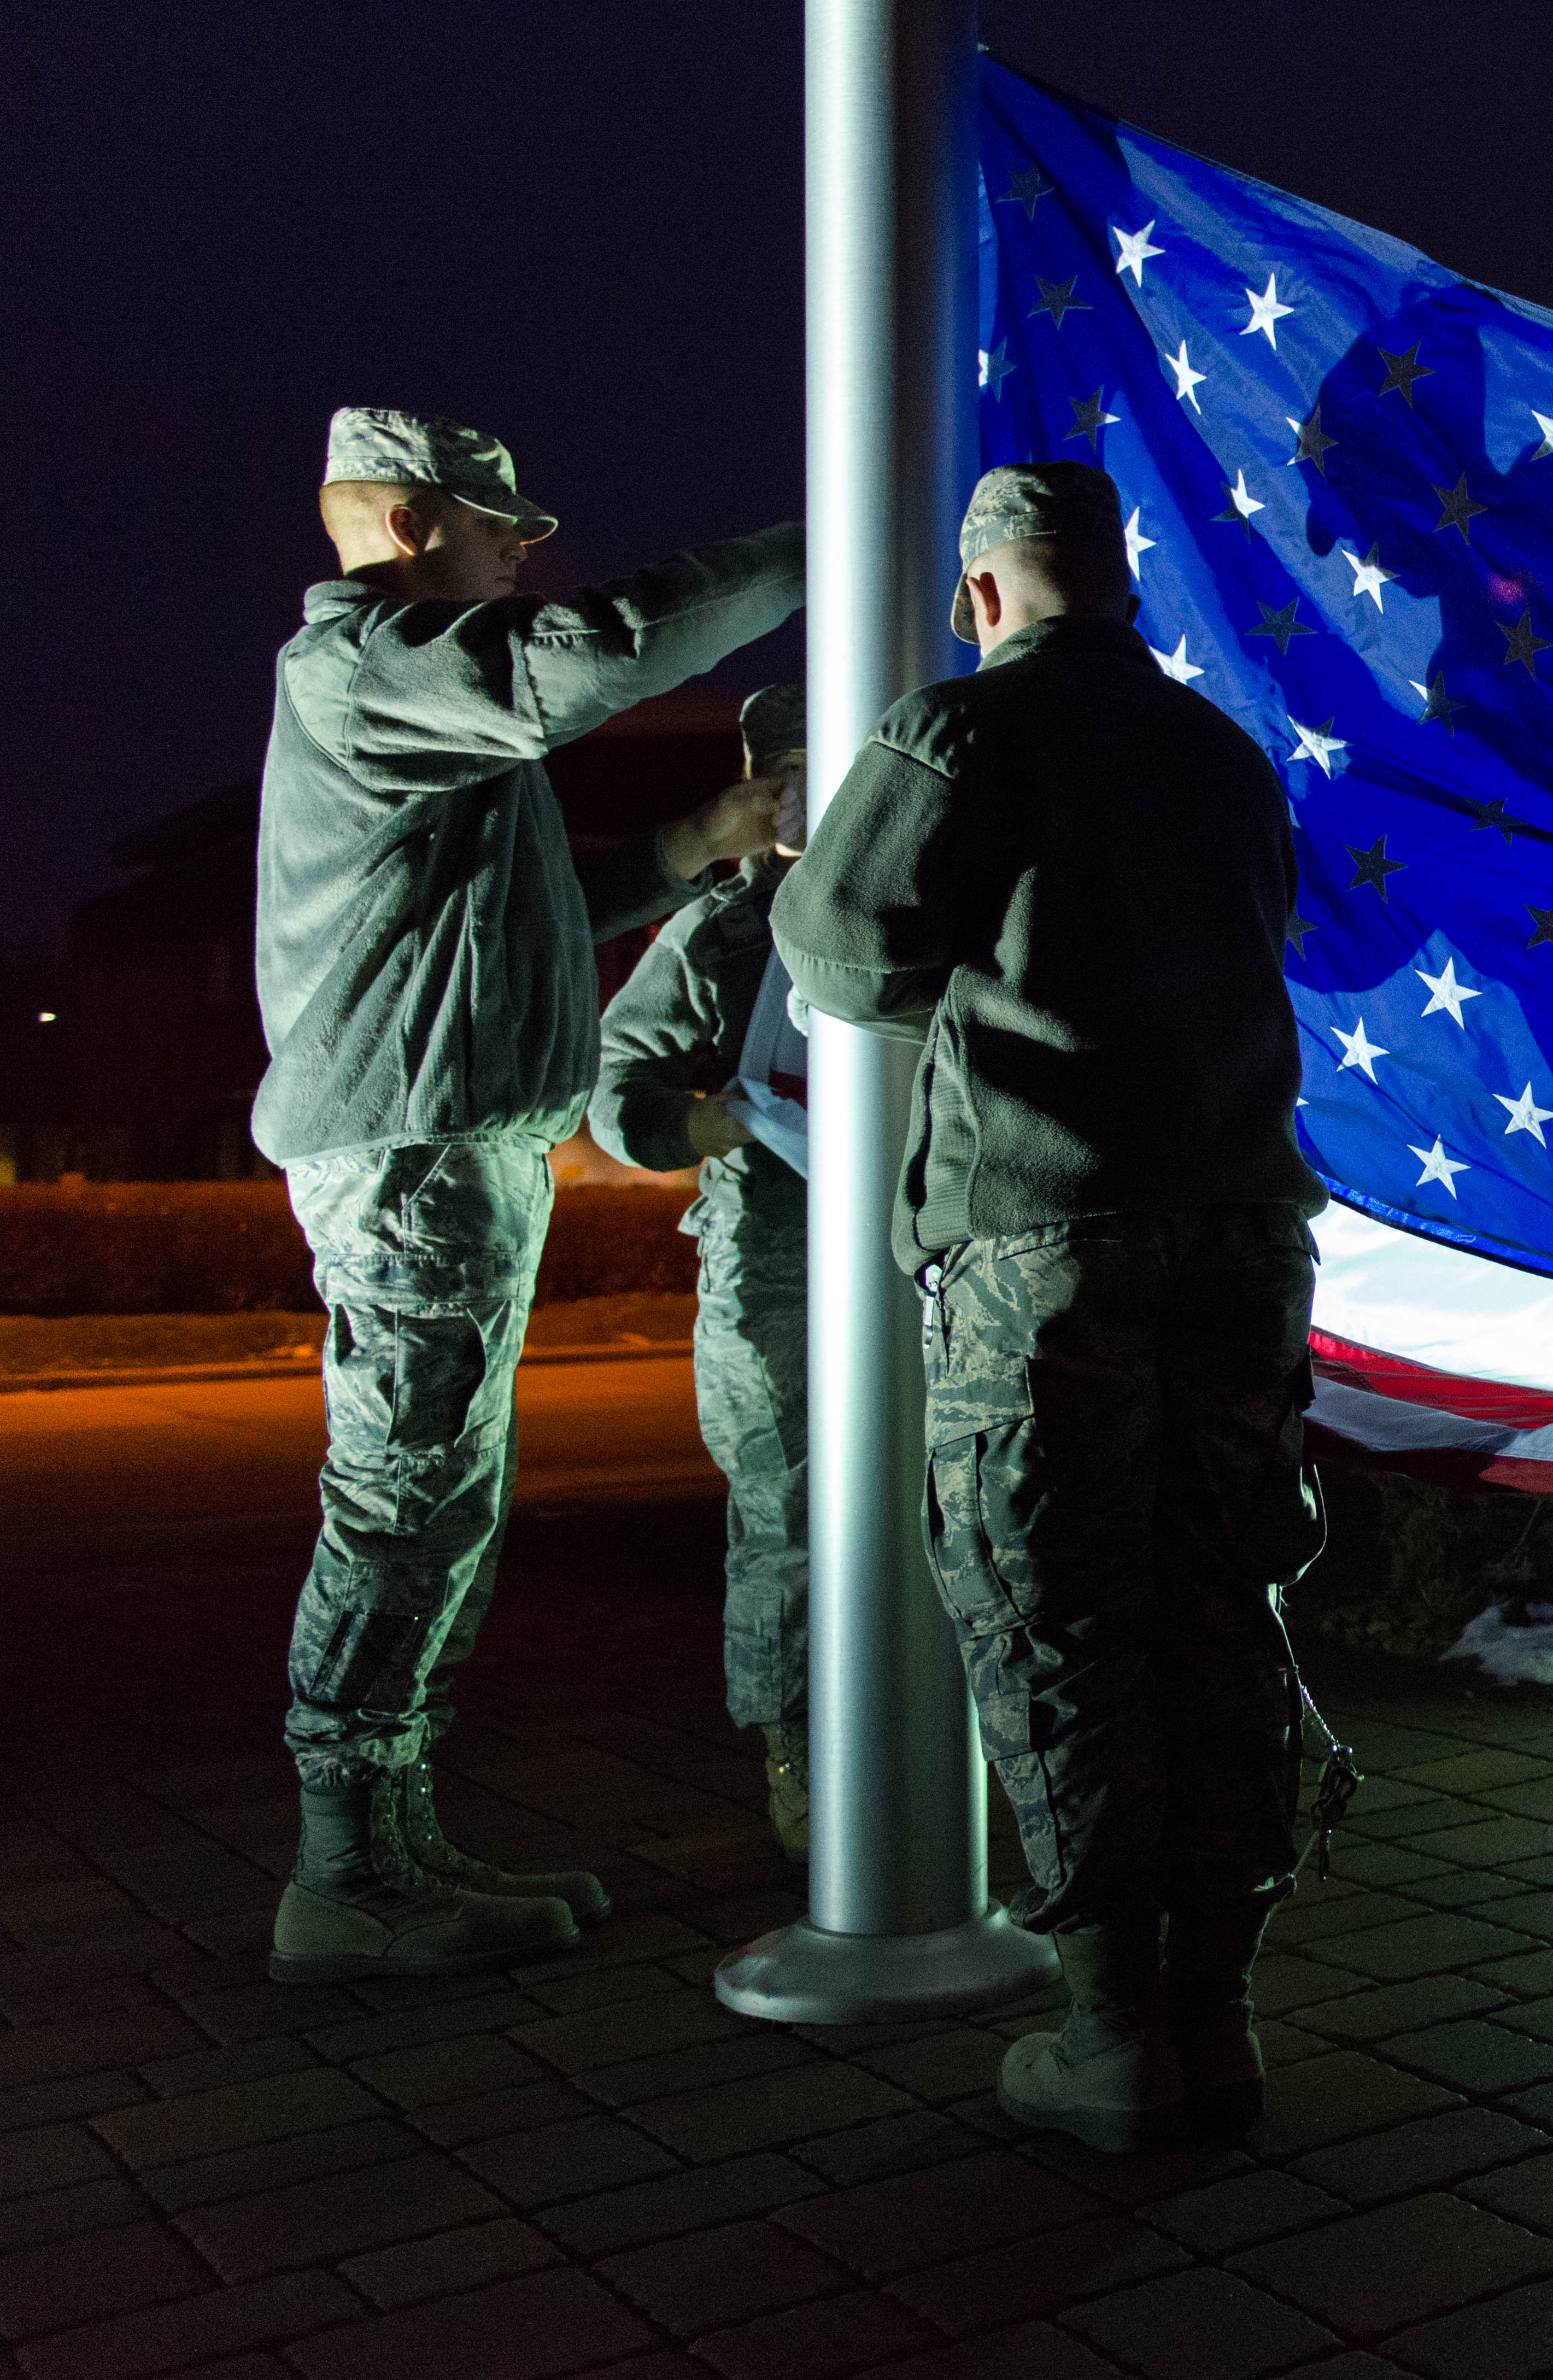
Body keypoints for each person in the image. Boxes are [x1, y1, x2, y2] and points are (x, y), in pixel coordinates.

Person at [772, 460, 1325, 2152]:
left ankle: (1109, 2032)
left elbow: (844, 961)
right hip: (1239, 1232)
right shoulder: (1222, 752)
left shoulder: (958, 731)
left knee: (1054, 1611)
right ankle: (1218, 2016)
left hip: (1045, 1238)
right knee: (1223, 1604)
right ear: (1123, 585)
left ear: (981, 593)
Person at [258, 409, 803, 1985]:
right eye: (508, 527)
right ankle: (347, 1875)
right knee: (403, 1506)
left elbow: (538, 906)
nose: (533, 550)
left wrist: (702, 839)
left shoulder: (416, 713)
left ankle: (394, 1848)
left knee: (438, 1508)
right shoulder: (370, 660)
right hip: (415, 1155)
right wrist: (820, 532)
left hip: (452, 1149)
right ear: (418, 524)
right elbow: (599, 650)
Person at [588, 685, 816, 1857]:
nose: (799, 796)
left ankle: (938, 1748)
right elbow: (617, 1088)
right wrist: (702, 1129)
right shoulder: (714, 937)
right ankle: (798, 1761)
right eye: (779, 772)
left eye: (823, 767)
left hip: (909, 1257)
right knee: (786, 1514)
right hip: (770, 1261)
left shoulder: (918, 909)